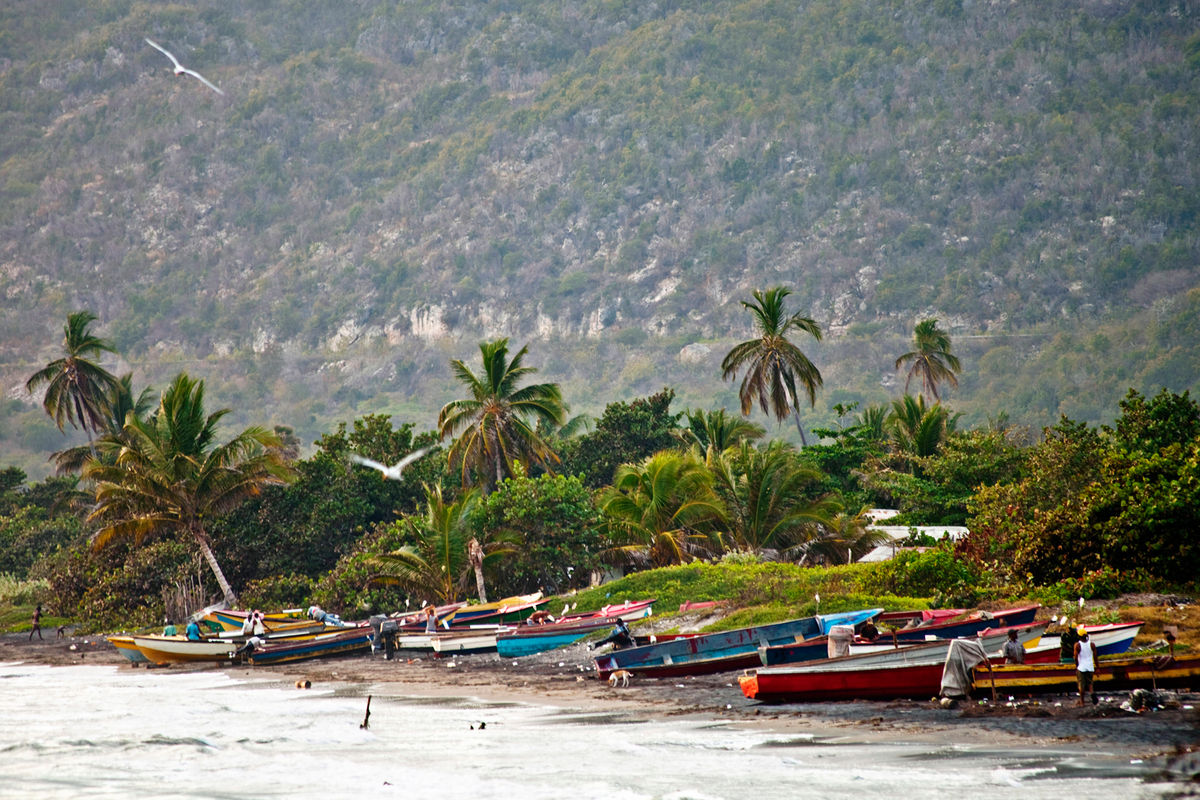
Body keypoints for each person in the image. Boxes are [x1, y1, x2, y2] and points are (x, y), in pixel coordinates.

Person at [1073, 628, 1098, 706]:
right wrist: (1097, 667)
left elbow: (1076, 657)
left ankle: (1082, 702)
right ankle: (1092, 693)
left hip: (1081, 667)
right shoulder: (1092, 644)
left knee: (1081, 685)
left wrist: (1077, 667)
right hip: (1090, 667)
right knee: (1090, 683)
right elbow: (1095, 657)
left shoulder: (1077, 645)